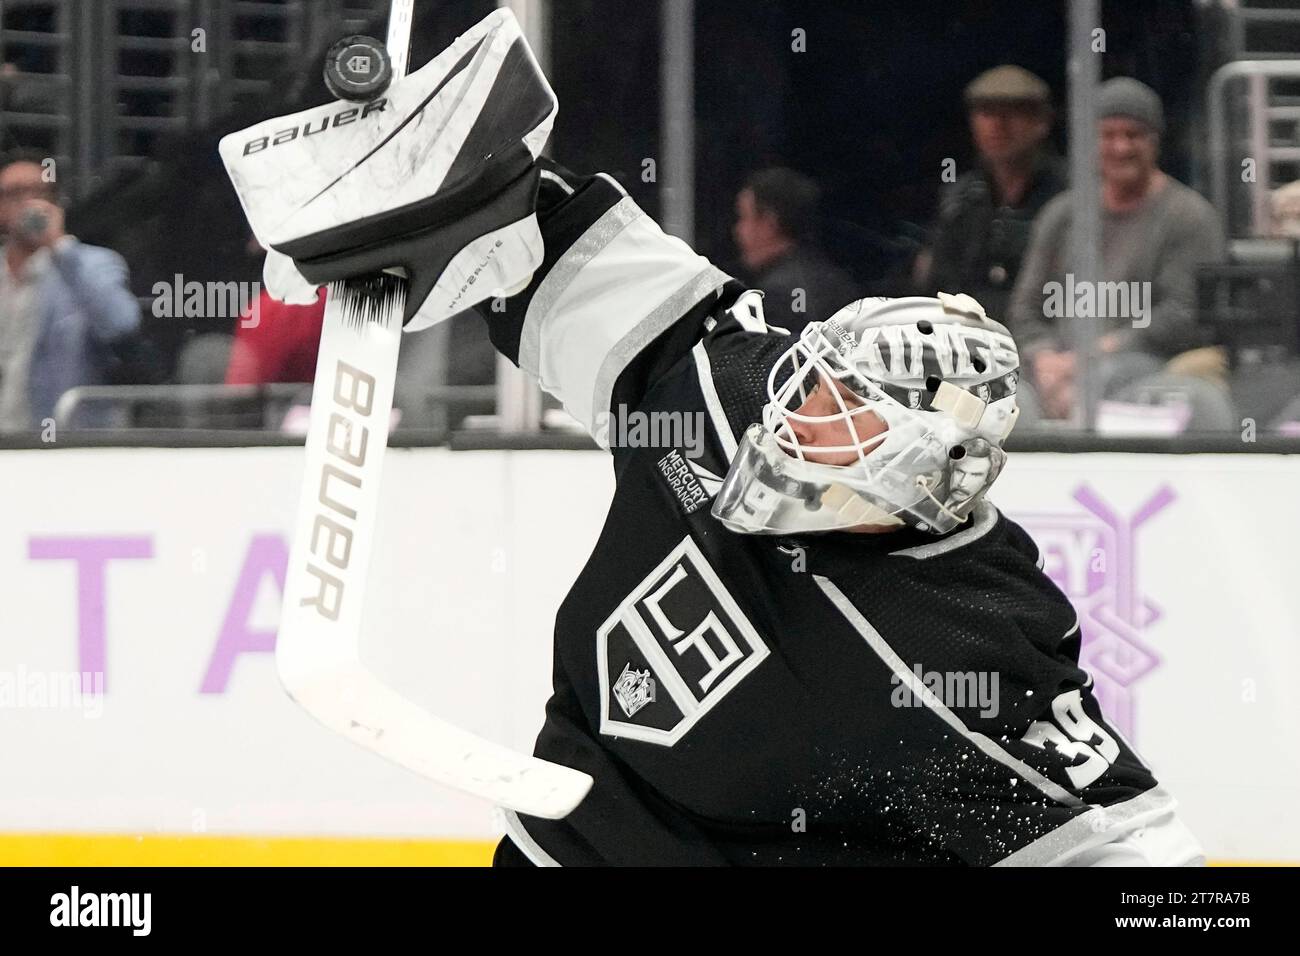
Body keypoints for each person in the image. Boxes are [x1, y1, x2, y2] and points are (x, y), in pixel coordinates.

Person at [234, 18, 1202, 866]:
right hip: (584, 827)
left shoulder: (966, 637)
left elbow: (1126, 839)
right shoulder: (733, 383)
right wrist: (432, 197)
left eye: (844, 412)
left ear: (908, 475)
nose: (802, 408)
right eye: (823, 375)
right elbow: (546, 252)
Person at [1008, 78, 1226, 419]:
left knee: (1104, 389)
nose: (1120, 147)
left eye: (1133, 135)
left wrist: (1095, 354)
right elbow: (1024, 309)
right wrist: (1045, 356)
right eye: (1108, 135)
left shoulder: (1188, 216)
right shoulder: (1062, 214)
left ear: (1155, 141)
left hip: (1149, 367)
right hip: (1055, 367)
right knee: (1004, 405)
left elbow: (1183, 314)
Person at [0, 154, 141, 430]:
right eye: (14, 193)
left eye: (38, 192)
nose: (27, 202)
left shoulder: (90, 264)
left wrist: (59, 245)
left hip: (64, 444)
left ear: (53, 201)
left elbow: (122, 324)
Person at [915, 65, 1066, 321]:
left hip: (1046, 338)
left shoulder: (1068, 196)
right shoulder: (961, 199)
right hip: (967, 338)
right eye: (986, 113)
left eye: (1012, 113)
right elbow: (938, 286)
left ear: (1042, 122)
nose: (997, 125)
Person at [733, 167, 859, 333]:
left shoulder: (779, 294)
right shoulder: (837, 280)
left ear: (770, 222)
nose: (738, 230)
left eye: (744, 217)